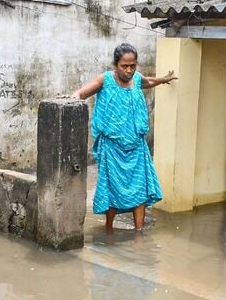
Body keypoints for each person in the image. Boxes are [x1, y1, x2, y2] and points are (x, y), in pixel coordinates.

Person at [71, 43, 176, 232]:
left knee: (140, 188)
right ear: (116, 65)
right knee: (111, 188)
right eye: (124, 66)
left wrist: (164, 79)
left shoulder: (136, 79)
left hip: (136, 145)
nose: (129, 70)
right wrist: (71, 98)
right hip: (111, 146)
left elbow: (149, 81)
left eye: (132, 66)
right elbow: (82, 93)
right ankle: (108, 228)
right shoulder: (105, 80)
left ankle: (139, 233)